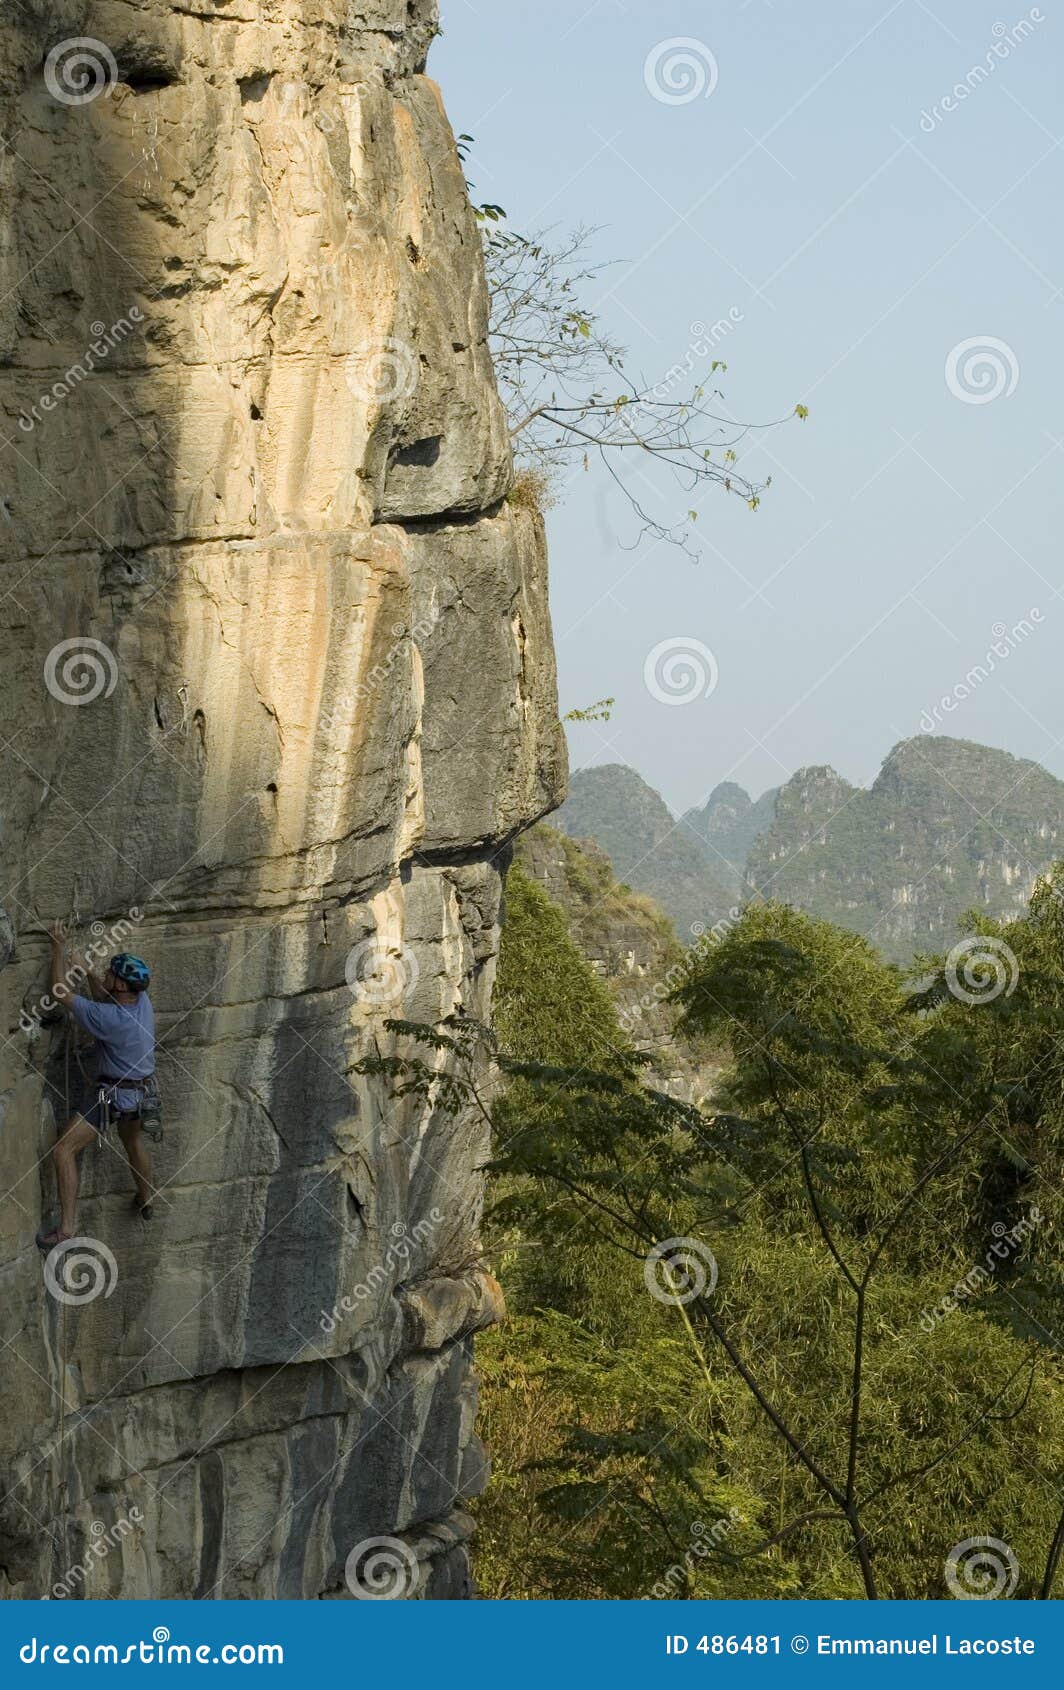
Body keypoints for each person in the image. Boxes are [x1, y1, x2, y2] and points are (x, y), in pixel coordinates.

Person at [36, 920, 157, 1249]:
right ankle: (146, 1198)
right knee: (133, 1141)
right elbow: (106, 996)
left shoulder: (109, 1019)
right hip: (142, 1091)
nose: (105, 973)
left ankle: (65, 1230)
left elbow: (60, 991)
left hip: (112, 1096)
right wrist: (89, 970)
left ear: (121, 985)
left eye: (109, 973)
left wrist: (58, 946)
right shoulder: (141, 1001)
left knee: (63, 1150)